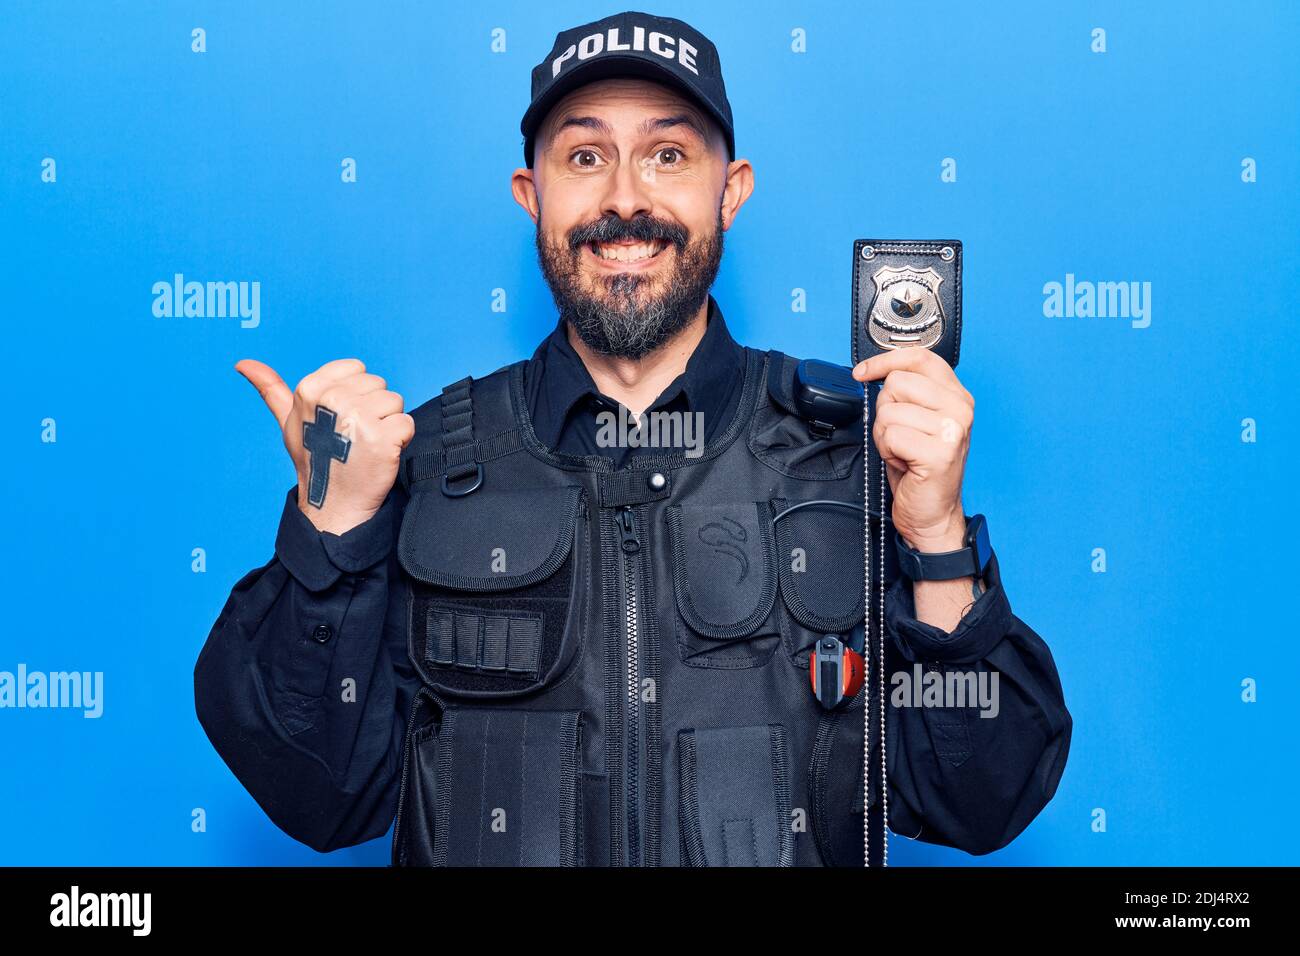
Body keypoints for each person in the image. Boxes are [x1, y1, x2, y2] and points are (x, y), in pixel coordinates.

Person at [194, 10, 1071, 866]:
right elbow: (321, 800)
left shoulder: (857, 456)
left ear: (731, 191)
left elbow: (978, 802)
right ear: (531, 195)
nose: (624, 198)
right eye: (585, 156)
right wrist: (330, 532)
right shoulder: (411, 460)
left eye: (667, 154)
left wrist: (935, 539)